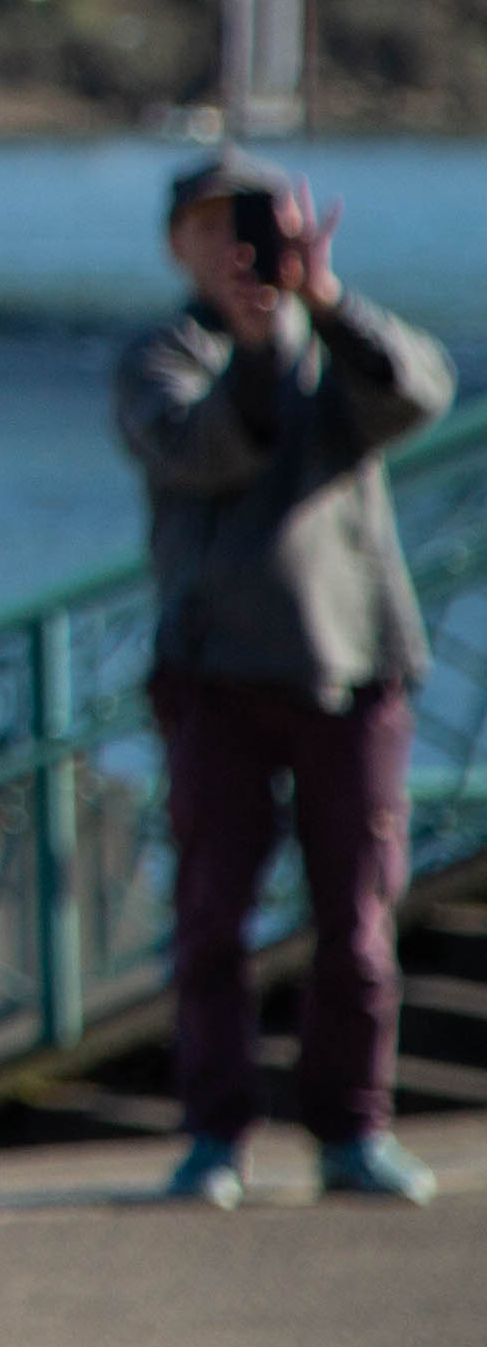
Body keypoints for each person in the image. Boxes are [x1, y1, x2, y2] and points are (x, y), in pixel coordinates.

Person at [118, 148, 451, 1211]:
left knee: (356, 919)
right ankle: (215, 1136)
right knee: (214, 917)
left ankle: (354, 1131)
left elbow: (419, 392)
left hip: (352, 668)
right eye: (212, 228)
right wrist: (258, 351)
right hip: (214, 675)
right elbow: (203, 450)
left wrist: (329, 302)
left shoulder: (333, 345)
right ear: (176, 246)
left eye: (253, 225)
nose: (236, 248)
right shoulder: (161, 357)